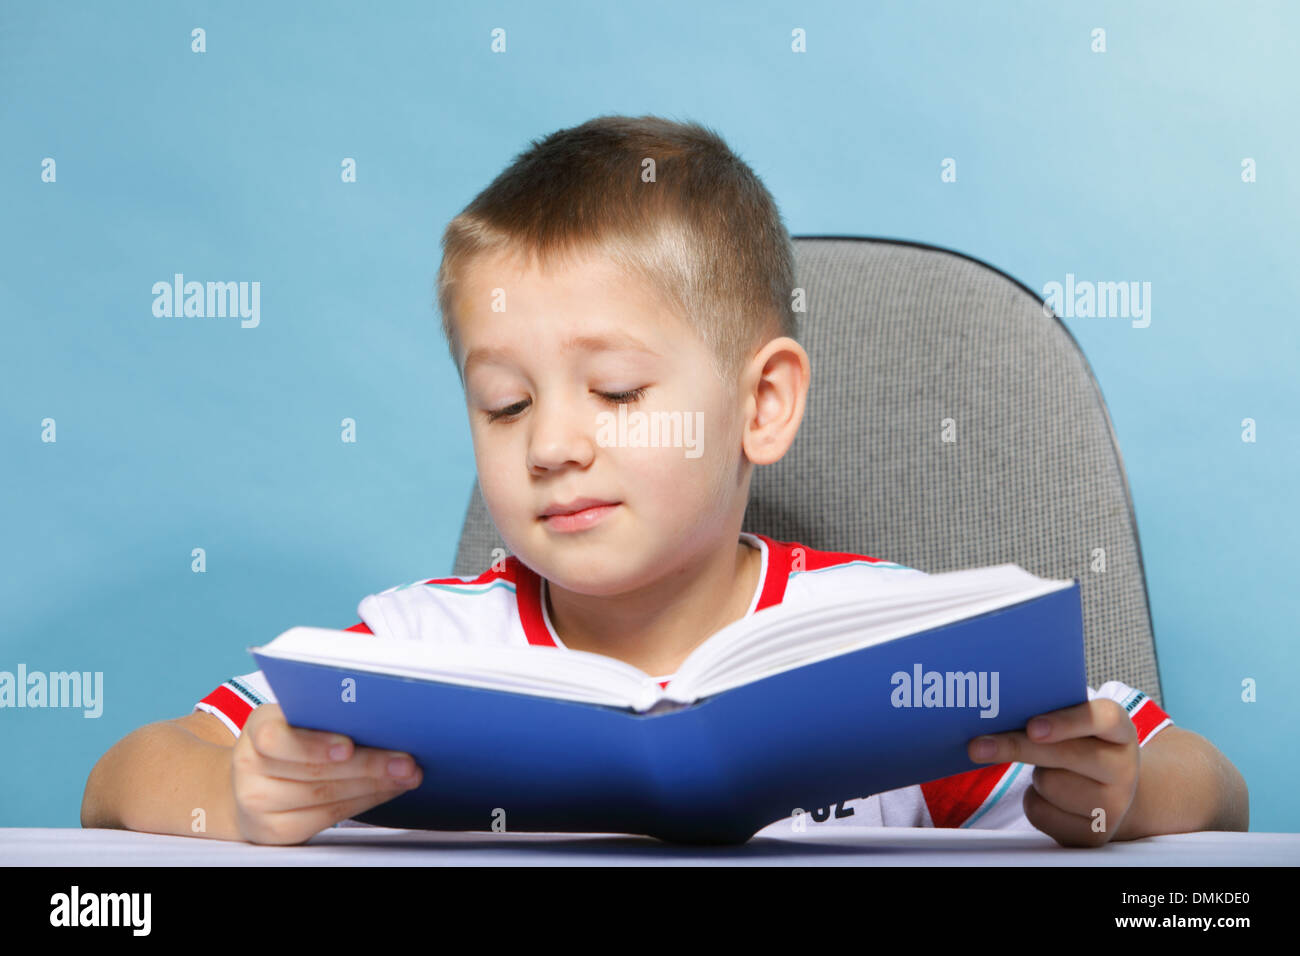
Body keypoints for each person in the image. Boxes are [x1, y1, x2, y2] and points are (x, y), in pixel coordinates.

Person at [81, 114, 1248, 846]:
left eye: (618, 392)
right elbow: (122, 777)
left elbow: (1214, 787)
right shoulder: (409, 648)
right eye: (505, 402)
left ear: (761, 404)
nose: (550, 445)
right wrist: (233, 797)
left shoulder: (901, 635)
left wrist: (1115, 792)